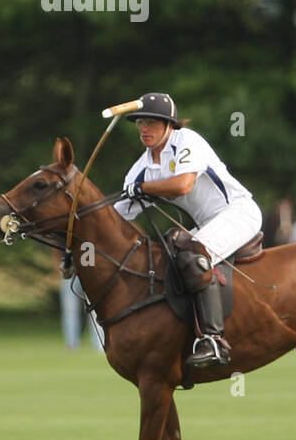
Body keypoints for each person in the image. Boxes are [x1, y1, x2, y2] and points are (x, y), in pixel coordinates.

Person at [112, 92, 262, 368]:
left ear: (170, 124)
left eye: (152, 122)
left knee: (193, 255)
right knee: (169, 256)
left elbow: (183, 185)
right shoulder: (140, 169)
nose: (144, 129)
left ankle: (214, 341)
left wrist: (142, 189)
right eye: (140, 123)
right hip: (206, 224)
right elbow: (115, 217)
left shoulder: (188, 141)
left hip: (238, 212)